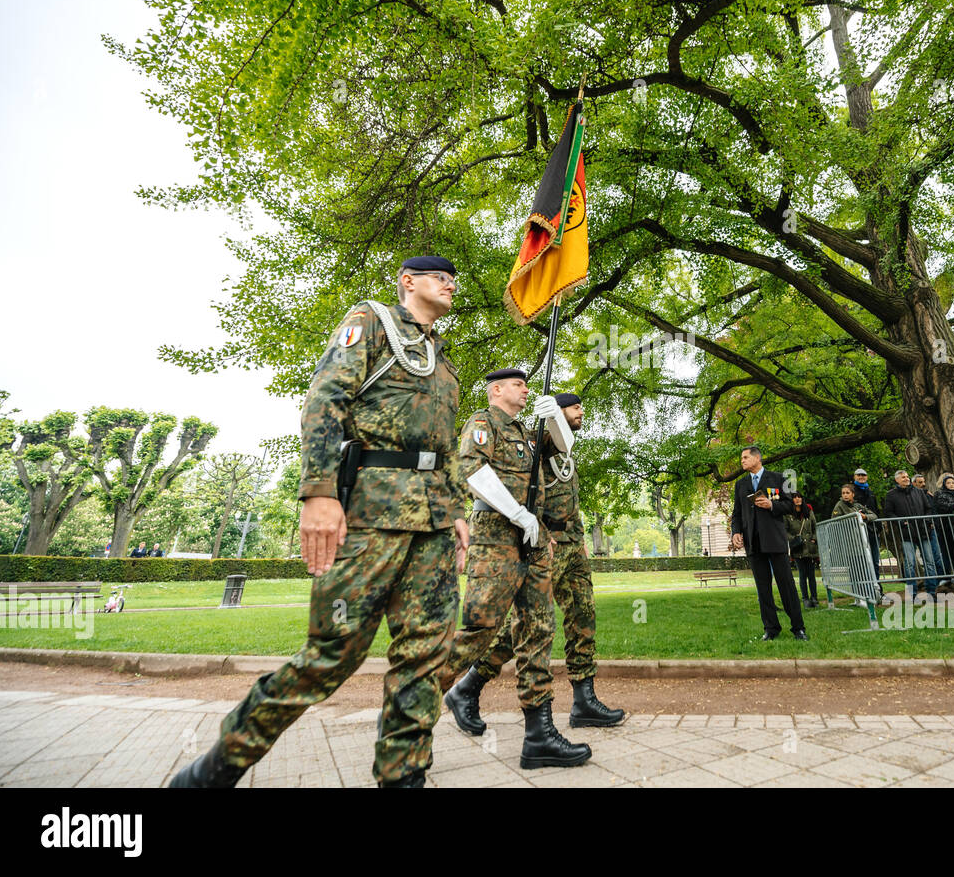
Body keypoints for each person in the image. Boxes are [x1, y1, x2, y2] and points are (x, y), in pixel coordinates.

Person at [170, 255, 469, 788]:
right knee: (330, 656)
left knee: (426, 657)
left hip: (435, 525)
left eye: (453, 280)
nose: (450, 285)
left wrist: (458, 511)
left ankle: (403, 778)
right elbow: (325, 400)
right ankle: (215, 769)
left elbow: (443, 447)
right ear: (408, 282)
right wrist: (319, 492)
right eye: (438, 277)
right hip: (371, 514)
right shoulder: (371, 322)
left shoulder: (442, 363)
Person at [436, 369, 591, 768]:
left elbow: (565, 447)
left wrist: (554, 418)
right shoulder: (482, 423)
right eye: (519, 385)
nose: (526, 390)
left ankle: (539, 735)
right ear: (497, 390)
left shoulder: (528, 429)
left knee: (538, 629)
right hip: (496, 534)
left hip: (533, 538)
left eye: (527, 385)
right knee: (481, 628)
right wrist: (518, 513)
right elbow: (473, 471)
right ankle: (415, 701)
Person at [446, 392, 625, 736]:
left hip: (573, 542)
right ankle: (467, 686)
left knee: (583, 619)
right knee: (523, 629)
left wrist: (579, 536)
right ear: (557, 410)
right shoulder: (533, 438)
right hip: (544, 543)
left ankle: (584, 700)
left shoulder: (563, 443)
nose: (581, 412)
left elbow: (565, 447)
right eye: (574, 408)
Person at [730, 446, 808, 640]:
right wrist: (736, 532)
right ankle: (771, 629)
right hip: (753, 543)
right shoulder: (741, 485)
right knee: (762, 588)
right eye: (742, 458)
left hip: (774, 540)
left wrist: (771, 505)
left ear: (757, 458)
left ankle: (798, 628)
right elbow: (737, 513)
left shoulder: (779, 479)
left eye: (746, 457)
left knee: (786, 585)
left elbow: (791, 505)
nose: (742, 461)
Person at [882, 470, 944, 601]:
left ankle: (931, 592)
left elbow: (928, 508)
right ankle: (912, 593)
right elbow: (888, 512)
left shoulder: (919, 492)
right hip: (906, 533)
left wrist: (927, 520)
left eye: (906, 476)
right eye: (902, 477)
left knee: (929, 562)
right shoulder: (891, 495)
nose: (906, 478)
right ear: (897, 480)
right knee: (909, 563)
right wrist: (900, 521)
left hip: (923, 531)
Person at [785, 493, 819, 608]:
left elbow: (815, 527)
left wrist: (814, 538)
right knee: (802, 575)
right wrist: (793, 539)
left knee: (811, 575)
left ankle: (814, 598)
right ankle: (805, 599)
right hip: (798, 548)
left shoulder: (808, 511)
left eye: (799, 497)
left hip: (810, 547)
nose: (797, 499)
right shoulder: (788, 514)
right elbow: (785, 531)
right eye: (795, 497)